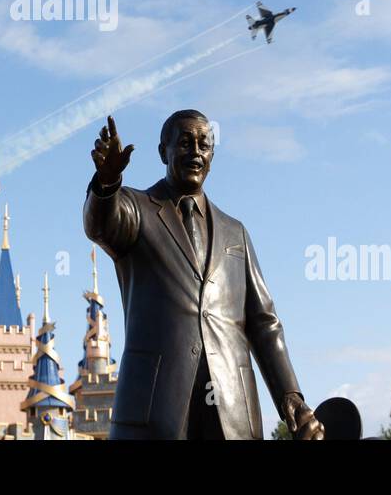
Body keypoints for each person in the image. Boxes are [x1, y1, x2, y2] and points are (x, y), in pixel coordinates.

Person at [84, 110, 323, 440]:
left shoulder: (235, 232)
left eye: (204, 144)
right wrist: (107, 184)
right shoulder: (136, 209)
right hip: (155, 409)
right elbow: (100, 225)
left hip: (232, 409)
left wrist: (291, 398)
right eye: (184, 143)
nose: (196, 151)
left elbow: (264, 324)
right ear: (162, 151)